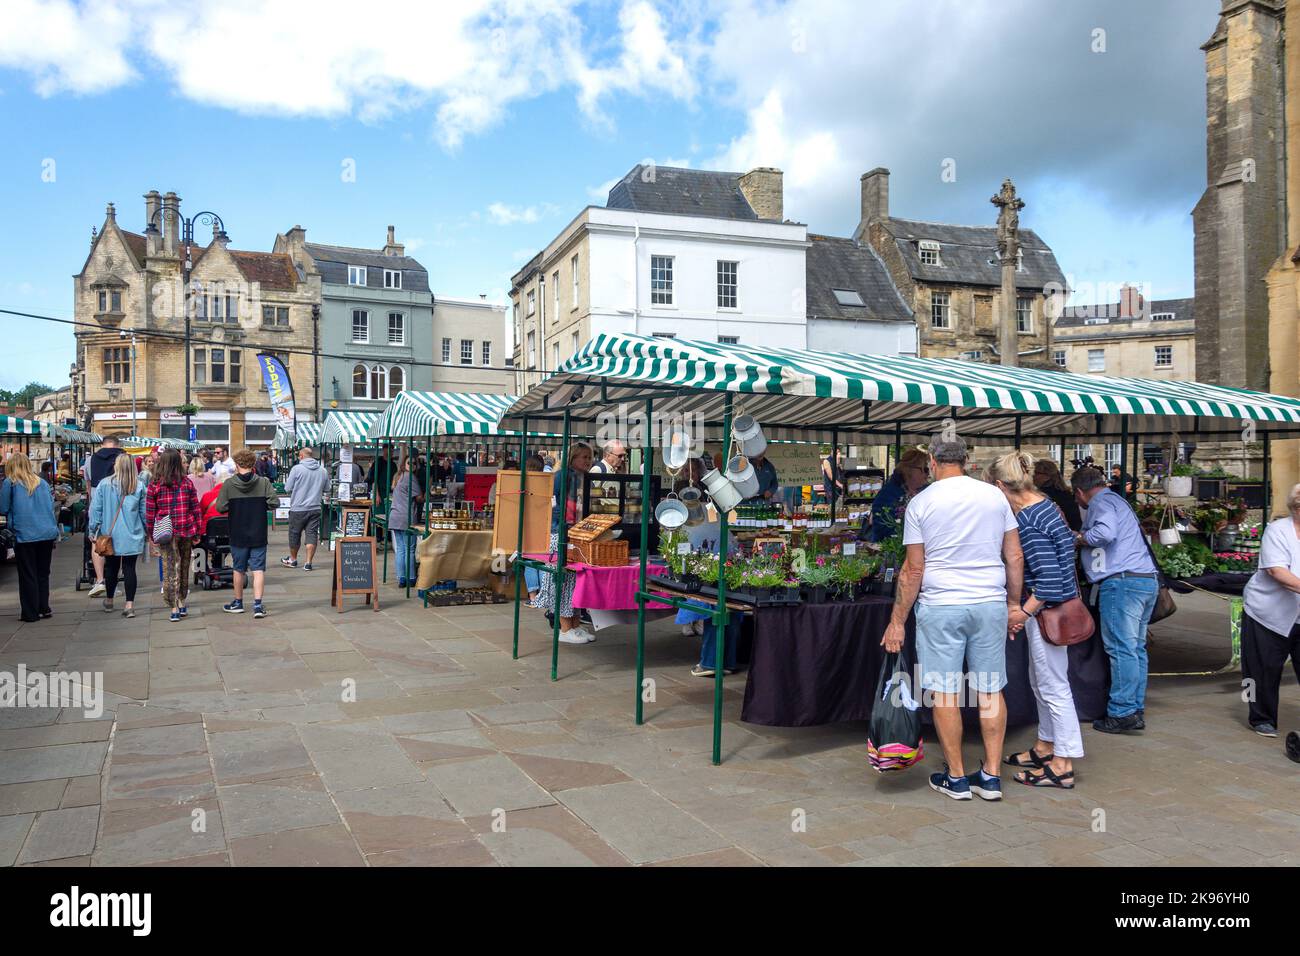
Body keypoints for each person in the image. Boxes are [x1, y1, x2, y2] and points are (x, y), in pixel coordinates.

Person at [881, 432, 1023, 802]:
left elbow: (913, 569)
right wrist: (1013, 603)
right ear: (966, 459)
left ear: (932, 460)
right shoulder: (994, 495)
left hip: (941, 604)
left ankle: (957, 777)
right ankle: (991, 776)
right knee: (990, 687)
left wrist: (897, 620)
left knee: (945, 692)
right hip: (988, 602)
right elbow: (1015, 556)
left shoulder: (921, 502)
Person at [989, 452, 1084, 789]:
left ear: (1001, 485)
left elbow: (1048, 581)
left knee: (1055, 687)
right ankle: (1046, 745)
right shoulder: (1044, 505)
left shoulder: (1029, 519)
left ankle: (1063, 763)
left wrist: (1021, 612)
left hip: (1047, 611)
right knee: (1040, 681)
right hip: (1048, 609)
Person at [1072, 465, 1158, 734]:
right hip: (1144, 580)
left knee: (1121, 649)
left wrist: (1079, 537)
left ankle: (1121, 712)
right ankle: (1134, 708)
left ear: (1079, 492)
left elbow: (1105, 534)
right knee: (1135, 649)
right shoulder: (1118, 500)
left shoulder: (1100, 503)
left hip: (1122, 583)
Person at [1239, 484, 1300, 737]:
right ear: (1297, 508)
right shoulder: (1277, 530)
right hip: (1267, 612)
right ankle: (1260, 717)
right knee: (1261, 668)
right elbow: (1277, 572)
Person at [539, 441, 595, 643]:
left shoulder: (585, 478)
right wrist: (563, 522)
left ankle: (576, 626)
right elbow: (550, 502)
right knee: (563, 581)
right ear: (573, 457)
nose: (588, 461)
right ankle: (564, 628)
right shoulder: (562, 476)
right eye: (584, 457)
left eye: (589, 457)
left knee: (576, 582)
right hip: (560, 532)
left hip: (578, 532)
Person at [216, 449, 277, 618]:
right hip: (258, 531)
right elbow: (274, 502)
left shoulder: (228, 484)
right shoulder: (263, 482)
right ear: (252, 464)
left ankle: (238, 603)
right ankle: (257, 605)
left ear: (236, 464)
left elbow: (220, 507)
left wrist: (234, 507)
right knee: (258, 570)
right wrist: (260, 506)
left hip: (237, 532)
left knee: (238, 569)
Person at [145, 449, 202, 624]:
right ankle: (182, 601)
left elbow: (149, 513)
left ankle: (173, 607)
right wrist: (198, 531)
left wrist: (150, 535)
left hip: (166, 532)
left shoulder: (155, 484)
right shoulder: (186, 483)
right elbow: (196, 508)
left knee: (169, 567)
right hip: (185, 529)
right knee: (184, 566)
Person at [0, 453, 59, 622]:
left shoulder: (10, 483)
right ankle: (44, 607)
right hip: (46, 532)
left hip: (24, 533)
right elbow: (49, 505)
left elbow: (3, 507)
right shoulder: (41, 482)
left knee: (28, 574)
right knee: (42, 572)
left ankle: (30, 612)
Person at [88, 452, 147, 618]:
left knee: (111, 568)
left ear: (116, 466)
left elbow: (96, 510)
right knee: (130, 569)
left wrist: (93, 530)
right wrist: (148, 531)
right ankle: (129, 605)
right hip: (133, 533)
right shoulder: (139, 486)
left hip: (110, 534)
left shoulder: (104, 484)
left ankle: (109, 600)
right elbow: (144, 513)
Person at [85, 435, 125, 597]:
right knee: (116, 543)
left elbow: (88, 484)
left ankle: (100, 580)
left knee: (97, 541)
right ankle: (113, 582)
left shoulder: (91, 460)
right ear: (117, 444)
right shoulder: (123, 457)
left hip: (97, 501)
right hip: (119, 505)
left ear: (102, 445)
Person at [282, 447, 330, 570]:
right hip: (315, 508)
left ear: (302, 456)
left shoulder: (296, 469)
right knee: (311, 534)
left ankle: (293, 560)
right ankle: (308, 563)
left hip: (298, 508)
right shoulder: (323, 471)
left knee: (294, 534)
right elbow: (327, 489)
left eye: (299, 456)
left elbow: (287, 488)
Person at [866, 448, 929, 542]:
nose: (927, 474)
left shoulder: (928, 491)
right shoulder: (888, 494)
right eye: (925, 469)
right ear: (910, 470)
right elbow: (882, 527)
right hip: (893, 549)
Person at [388, 455, 425, 589]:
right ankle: (410, 578)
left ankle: (402, 578)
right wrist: (426, 492)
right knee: (409, 549)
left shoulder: (398, 476)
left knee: (401, 549)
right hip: (405, 517)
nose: (413, 465)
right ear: (405, 464)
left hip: (395, 515)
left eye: (415, 463)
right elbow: (419, 498)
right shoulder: (411, 477)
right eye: (411, 463)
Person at [1032, 459, 1082, 531]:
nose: (1033, 476)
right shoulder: (1066, 493)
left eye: (1037, 473)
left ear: (1047, 476)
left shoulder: (1044, 495)